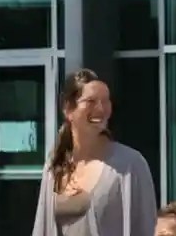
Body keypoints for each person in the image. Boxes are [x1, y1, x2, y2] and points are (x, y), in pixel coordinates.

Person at [31, 68, 158, 236]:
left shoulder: (130, 165)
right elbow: (42, 228)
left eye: (106, 101)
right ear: (69, 109)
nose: (101, 109)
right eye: (91, 101)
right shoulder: (55, 164)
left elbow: (147, 228)